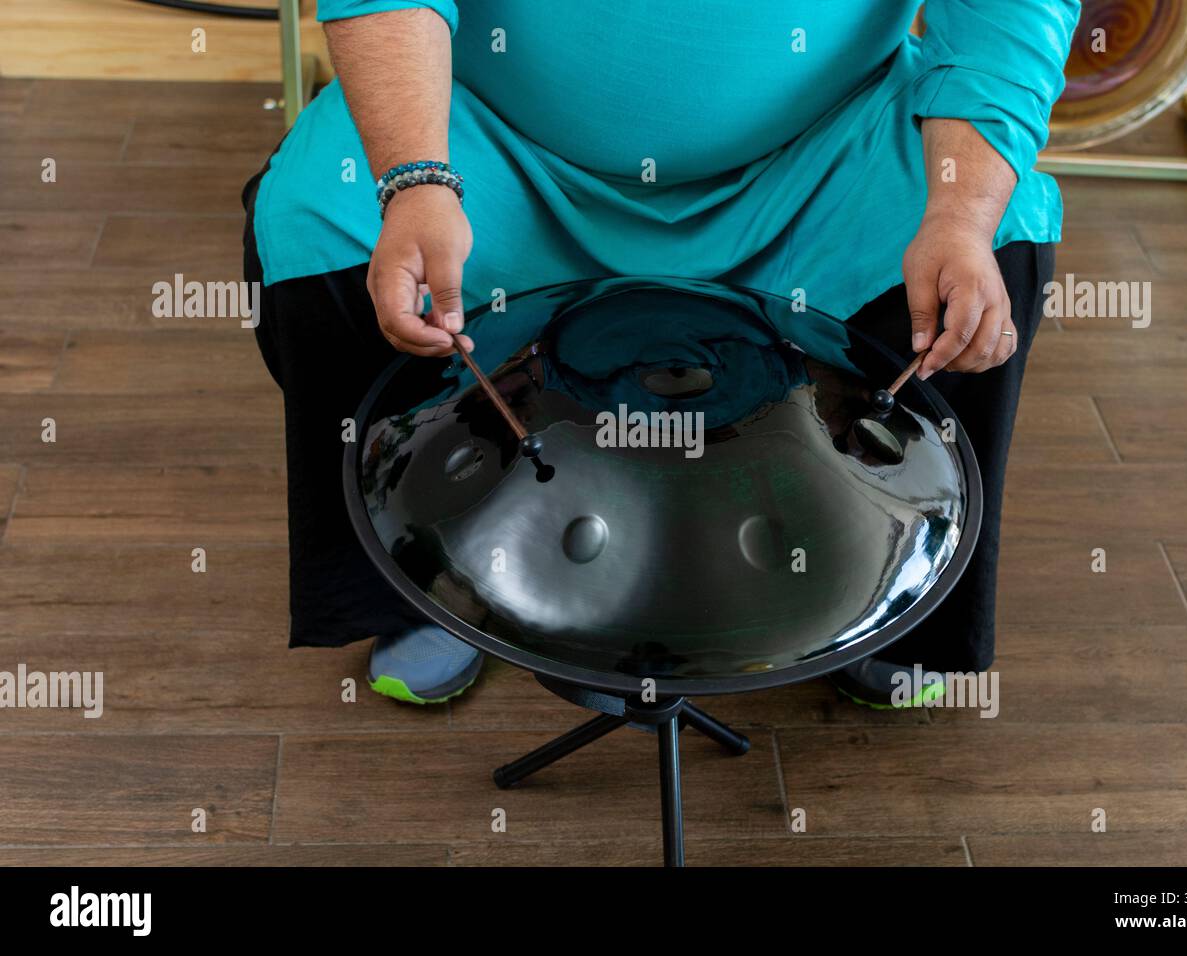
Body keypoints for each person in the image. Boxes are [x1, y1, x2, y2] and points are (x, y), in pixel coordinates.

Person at [242, 0, 1080, 707]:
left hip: (821, 150)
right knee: (319, 215)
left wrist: (959, 216)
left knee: (995, 239)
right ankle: (424, 578)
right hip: (496, 141)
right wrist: (415, 178)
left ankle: (890, 585)